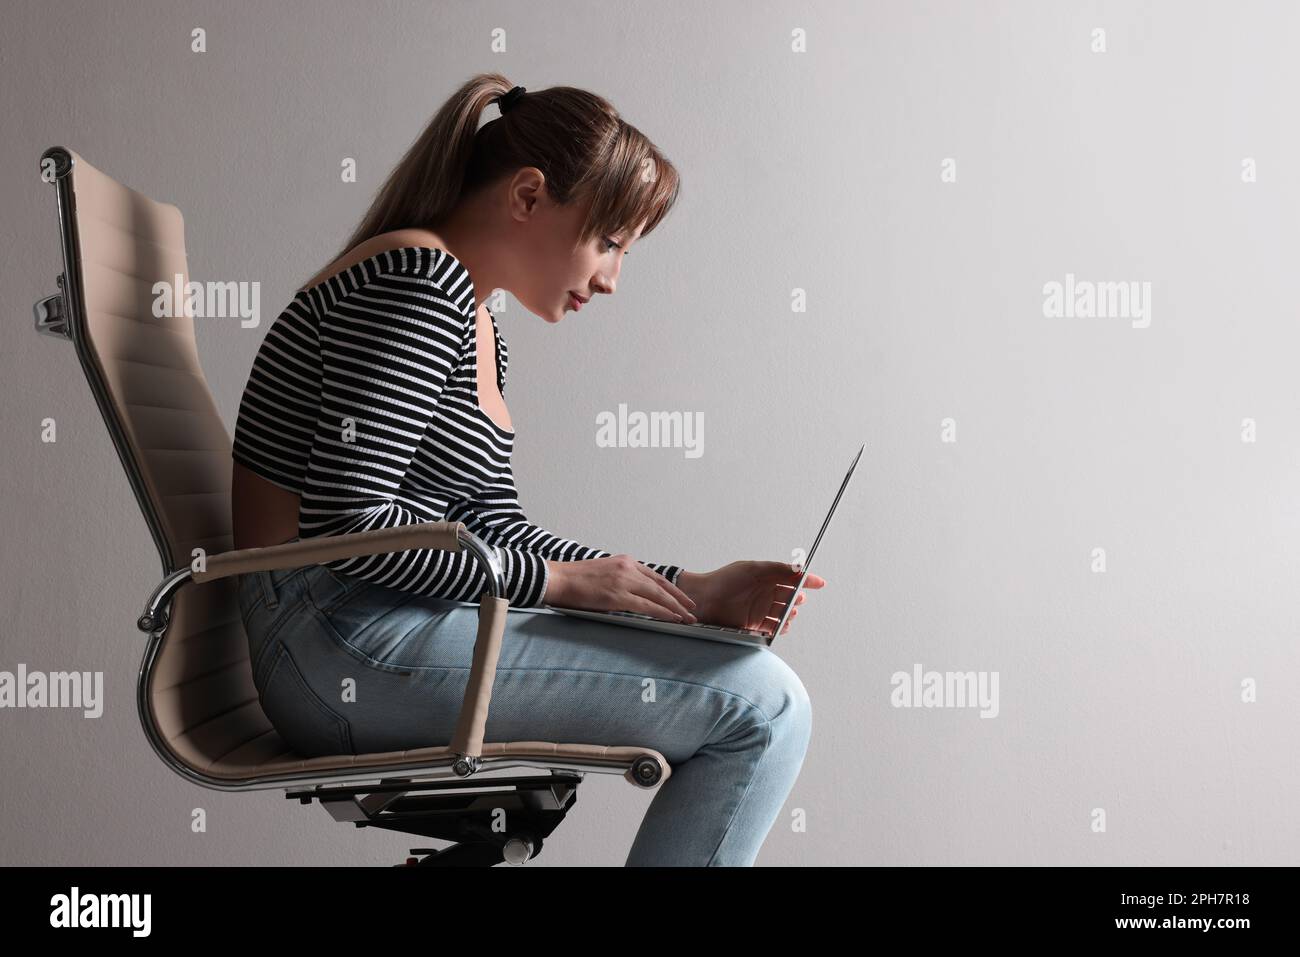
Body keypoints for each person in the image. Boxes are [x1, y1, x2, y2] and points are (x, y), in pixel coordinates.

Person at [230, 72, 824, 866]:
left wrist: (689, 588)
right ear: (528, 196)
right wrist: (563, 585)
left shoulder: (473, 318)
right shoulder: (416, 283)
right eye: (609, 242)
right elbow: (350, 533)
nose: (612, 278)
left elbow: (491, 530)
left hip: (372, 630)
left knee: (753, 677)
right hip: (339, 641)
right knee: (763, 705)